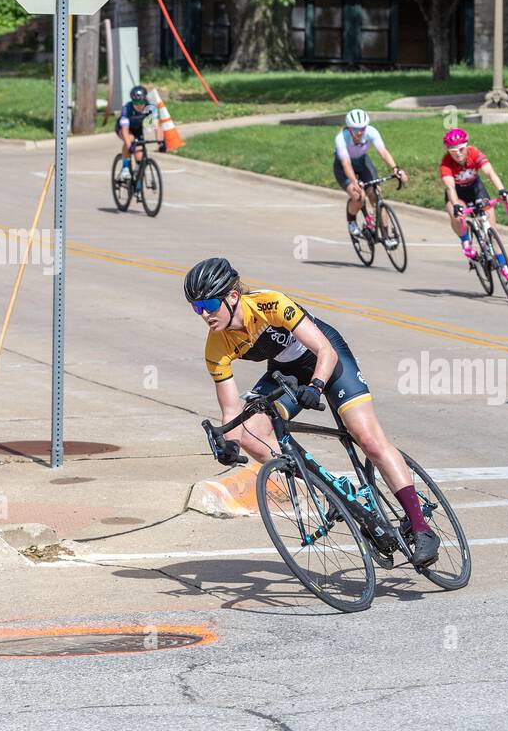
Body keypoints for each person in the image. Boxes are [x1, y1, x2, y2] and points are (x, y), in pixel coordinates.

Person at [184, 257, 440, 567]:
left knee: (368, 439)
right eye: (197, 308)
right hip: (287, 371)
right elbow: (230, 412)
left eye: (210, 304)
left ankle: (421, 527)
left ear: (233, 296)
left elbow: (324, 351)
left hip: (327, 359)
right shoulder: (216, 347)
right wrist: (231, 445)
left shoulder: (269, 304)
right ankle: (331, 490)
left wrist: (316, 387)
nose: (205, 314)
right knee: (251, 433)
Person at [439, 128, 508, 276]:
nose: (458, 153)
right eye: (453, 151)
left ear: (467, 146)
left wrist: (501, 190)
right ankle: (465, 240)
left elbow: (490, 172)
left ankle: (503, 265)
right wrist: (456, 205)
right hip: (457, 193)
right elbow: (449, 186)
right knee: (457, 214)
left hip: (475, 189)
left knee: (491, 230)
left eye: (460, 149)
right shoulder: (446, 163)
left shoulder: (474, 153)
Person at [333, 108, 406, 242]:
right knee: (358, 197)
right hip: (344, 167)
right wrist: (354, 181)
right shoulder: (341, 139)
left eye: (362, 128)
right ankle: (351, 220)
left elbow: (383, 151)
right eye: (355, 129)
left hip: (362, 162)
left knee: (375, 195)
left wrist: (395, 169)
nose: (360, 132)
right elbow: (346, 164)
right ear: (349, 128)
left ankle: (385, 235)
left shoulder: (371, 132)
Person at [115, 85, 159, 182]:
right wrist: (129, 146)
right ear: (132, 101)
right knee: (130, 140)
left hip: (137, 128)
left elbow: (156, 125)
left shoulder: (149, 107)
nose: (139, 105)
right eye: (136, 102)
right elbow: (125, 131)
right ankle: (125, 168)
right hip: (124, 129)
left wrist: (160, 142)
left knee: (139, 156)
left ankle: (138, 184)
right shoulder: (126, 109)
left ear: (145, 100)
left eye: (141, 102)